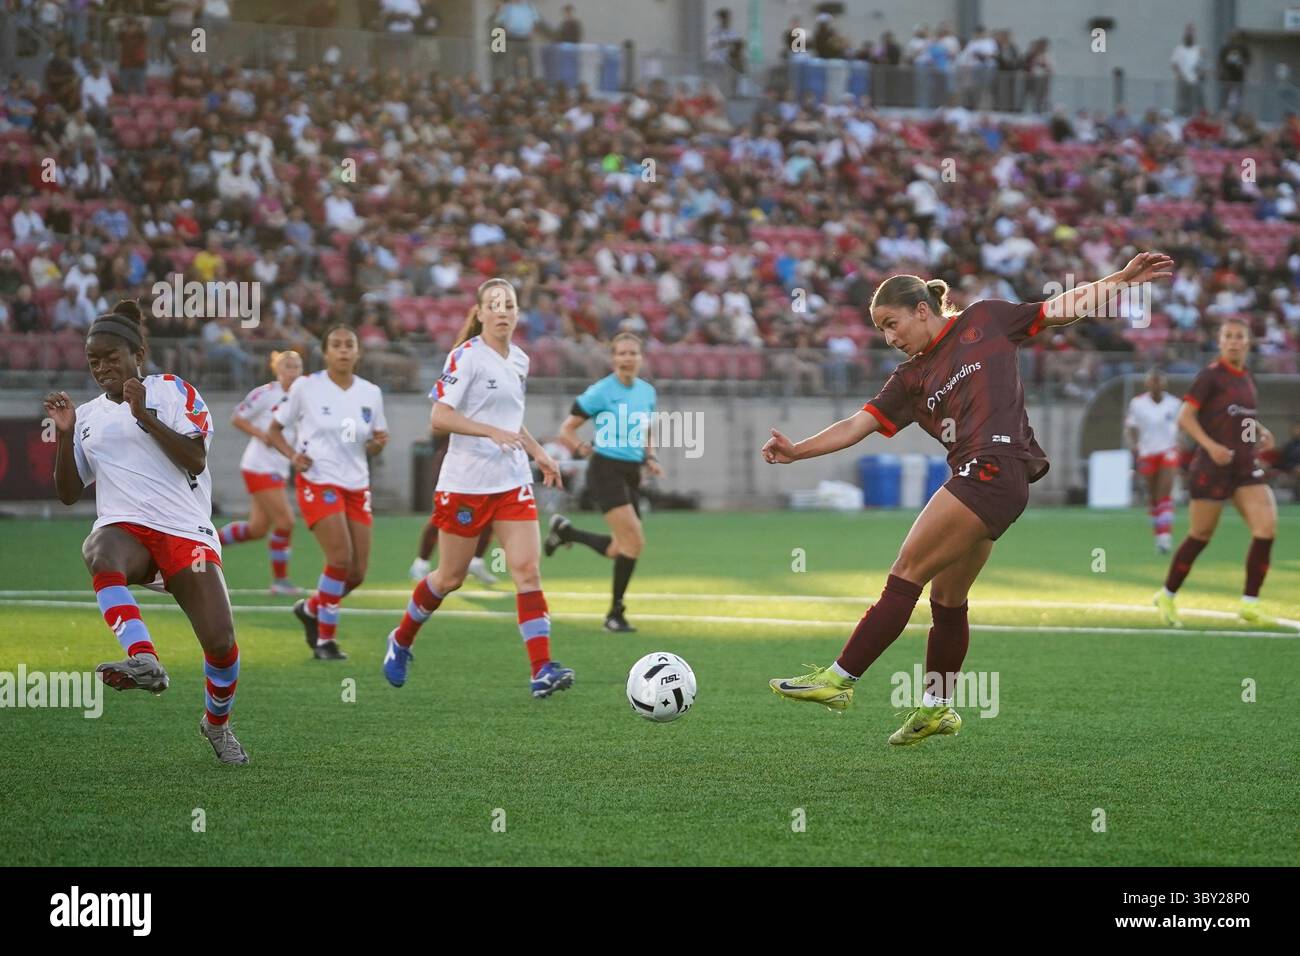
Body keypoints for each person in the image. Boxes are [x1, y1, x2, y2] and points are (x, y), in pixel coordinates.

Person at [762, 253, 1174, 745]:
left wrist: (1120, 280)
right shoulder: (910, 378)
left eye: (893, 324)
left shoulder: (985, 320)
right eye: (881, 332)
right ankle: (937, 708)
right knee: (948, 598)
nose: (890, 339)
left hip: (993, 470)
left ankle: (839, 680)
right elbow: (857, 424)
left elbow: (1060, 308)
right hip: (987, 479)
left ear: (921, 308)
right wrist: (797, 451)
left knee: (906, 572)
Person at [43, 300, 248, 764]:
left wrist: (146, 416)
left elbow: (195, 459)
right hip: (127, 531)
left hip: (186, 533)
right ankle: (144, 658)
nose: (101, 368)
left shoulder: (174, 391)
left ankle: (217, 724)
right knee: (98, 546)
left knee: (220, 643)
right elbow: (69, 493)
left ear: (138, 353)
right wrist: (65, 432)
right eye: (93, 360)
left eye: (111, 357)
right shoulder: (90, 415)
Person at [380, 278, 573, 698]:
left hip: (512, 481)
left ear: (517, 313)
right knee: (449, 578)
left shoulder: (519, 359)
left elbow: (510, 418)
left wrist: (538, 451)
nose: (503, 311)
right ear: (481, 313)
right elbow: (439, 417)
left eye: (510, 305)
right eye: (495, 305)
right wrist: (489, 432)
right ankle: (402, 638)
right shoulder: (465, 357)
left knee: (526, 570)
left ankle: (541, 669)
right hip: (466, 484)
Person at [266, 326, 389, 660]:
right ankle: (325, 641)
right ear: (325, 352)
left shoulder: (371, 392)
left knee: (357, 573)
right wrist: (293, 456)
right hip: (319, 480)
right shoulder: (307, 387)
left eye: (350, 345)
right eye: (336, 345)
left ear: (358, 352)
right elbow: (274, 429)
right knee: (339, 558)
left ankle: (309, 608)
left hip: (357, 484)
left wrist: (376, 446)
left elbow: (377, 439)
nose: (344, 350)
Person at [1154, 319, 1278, 627]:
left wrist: (1261, 431)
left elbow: (1240, 418)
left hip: (1245, 468)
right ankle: (1167, 595)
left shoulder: (1249, 378)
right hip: (1212, 468)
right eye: (1228, 336)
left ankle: (1250, 603)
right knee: (1201, 535)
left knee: (1266, 529)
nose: (1234, 341)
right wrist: (1211, 447)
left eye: (1239, 336)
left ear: (1248, 343)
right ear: (1220, 342)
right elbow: (1185, 417)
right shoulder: (1211, 376)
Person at [544, 332, 662, 632]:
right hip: (604, 469)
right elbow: (567, 428)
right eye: (621, 353)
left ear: (640, 357)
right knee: (635, 541)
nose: (626, 358)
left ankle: (567, 532)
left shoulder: (647, 392)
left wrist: (650, 457)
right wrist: (583, 448)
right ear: (613, 358)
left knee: (621, 548)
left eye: (632, 353)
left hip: (632, 471)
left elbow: (647, 429)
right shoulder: (600, 392)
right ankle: (614, 614)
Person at [218, 350, 304, 595]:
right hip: (259, 466)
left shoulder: (302, 397)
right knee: (286, 522)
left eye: (297, 366)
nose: (293, 371)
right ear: (277, 369)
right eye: (288, 366)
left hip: (278, 468)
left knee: (256, 529)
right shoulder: (267, 393)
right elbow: (238, 417)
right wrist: (262, 435)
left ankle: (203, 545)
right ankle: (280, 581)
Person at [409, 430, 499, 586]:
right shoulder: (459, 407)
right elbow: (437, 426)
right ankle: (421, 563)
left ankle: (476, 562)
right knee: (443, 517)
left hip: (487, 466)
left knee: (492, 515)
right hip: (457, 467)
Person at [1125, 368, 1182, 553]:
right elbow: (1130, 427)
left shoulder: (1174, 403)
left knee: (1164, 493)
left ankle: (1165, 537)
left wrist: (1181, 441)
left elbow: (1182, 426)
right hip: (1147, 452)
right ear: (1147, 383)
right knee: (1153, 496)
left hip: (1168, 451)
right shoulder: (1138, 403)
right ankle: (1158, 534)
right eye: (1152, 381)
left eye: (1159, 381)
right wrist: (1134, 445)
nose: (1156, 384)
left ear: (1164, 384)